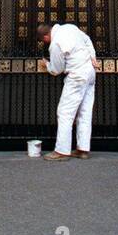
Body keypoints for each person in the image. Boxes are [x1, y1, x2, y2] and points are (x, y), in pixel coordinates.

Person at [37, 21, 97, 161]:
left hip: (77, 75)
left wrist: (46, 64)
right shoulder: (70, 27)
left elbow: (57, 69)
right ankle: (82, 149)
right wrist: (92, 56)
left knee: (65, 112)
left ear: (45, 37)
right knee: (85, 111)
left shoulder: (55, 44)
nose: (45, 43)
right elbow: (87, 40)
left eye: (43, 41)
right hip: (90, 72)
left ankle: (62, 151)